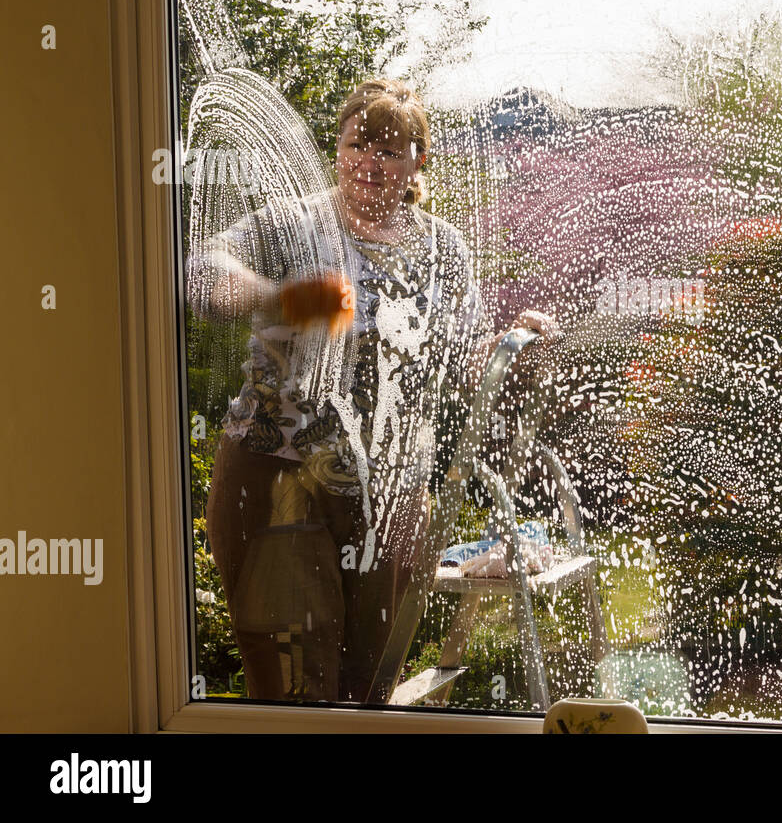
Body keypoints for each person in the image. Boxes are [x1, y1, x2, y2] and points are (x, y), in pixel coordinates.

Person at [187, 78, 557, 703]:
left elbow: (459, 363)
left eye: (390, 151)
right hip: (280, 481)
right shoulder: (295, 225)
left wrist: (509, 350)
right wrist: (274, 296)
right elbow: (201, 268)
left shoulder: (443, 249)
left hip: (391, 496)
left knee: (368, 694)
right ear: (339, 147)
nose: (371, 163)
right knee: (299, 693)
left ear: (418, 160)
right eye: (360, 144)